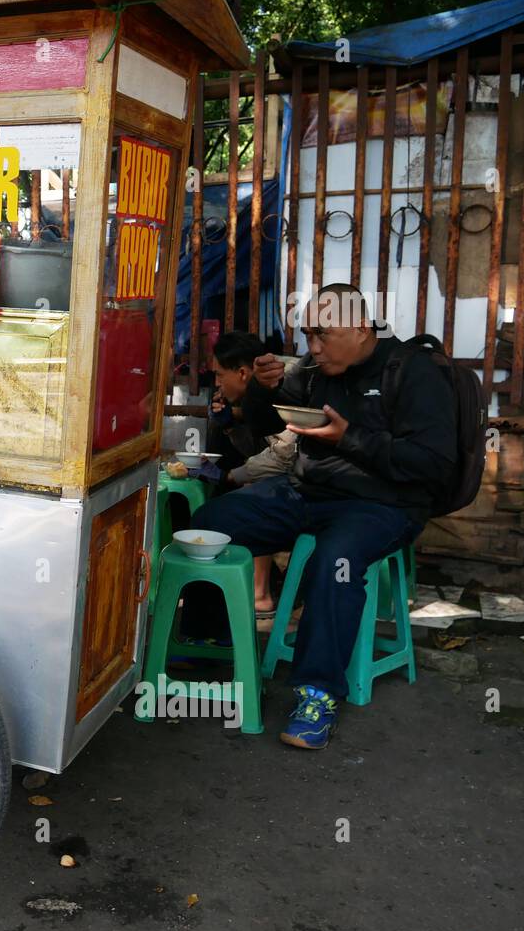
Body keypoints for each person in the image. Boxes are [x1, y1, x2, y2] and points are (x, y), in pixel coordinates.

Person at [187, 284, 457, 749]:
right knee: (210, 521)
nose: (311, 347)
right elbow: (269, 424)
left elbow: (433, 464)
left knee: (337, 562)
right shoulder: (314, 371)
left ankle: (317, 695)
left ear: (360, 327)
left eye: (322, 335)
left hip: (382, 505)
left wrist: (350, 438)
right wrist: (262, 389)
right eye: (308, 333)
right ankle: (212, 640)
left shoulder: (411, 372)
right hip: (306, 493)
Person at [207, 331, 297, 616]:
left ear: (243, 373)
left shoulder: (284, 384)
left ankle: (260, 596)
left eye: (220, 375)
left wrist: (234, 476)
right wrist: (230, 424)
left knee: (246, 501)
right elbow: (260, 446)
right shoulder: (250, 396)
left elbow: (283, 454)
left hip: (312, 484)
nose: (217, 383)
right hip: (295, 474)